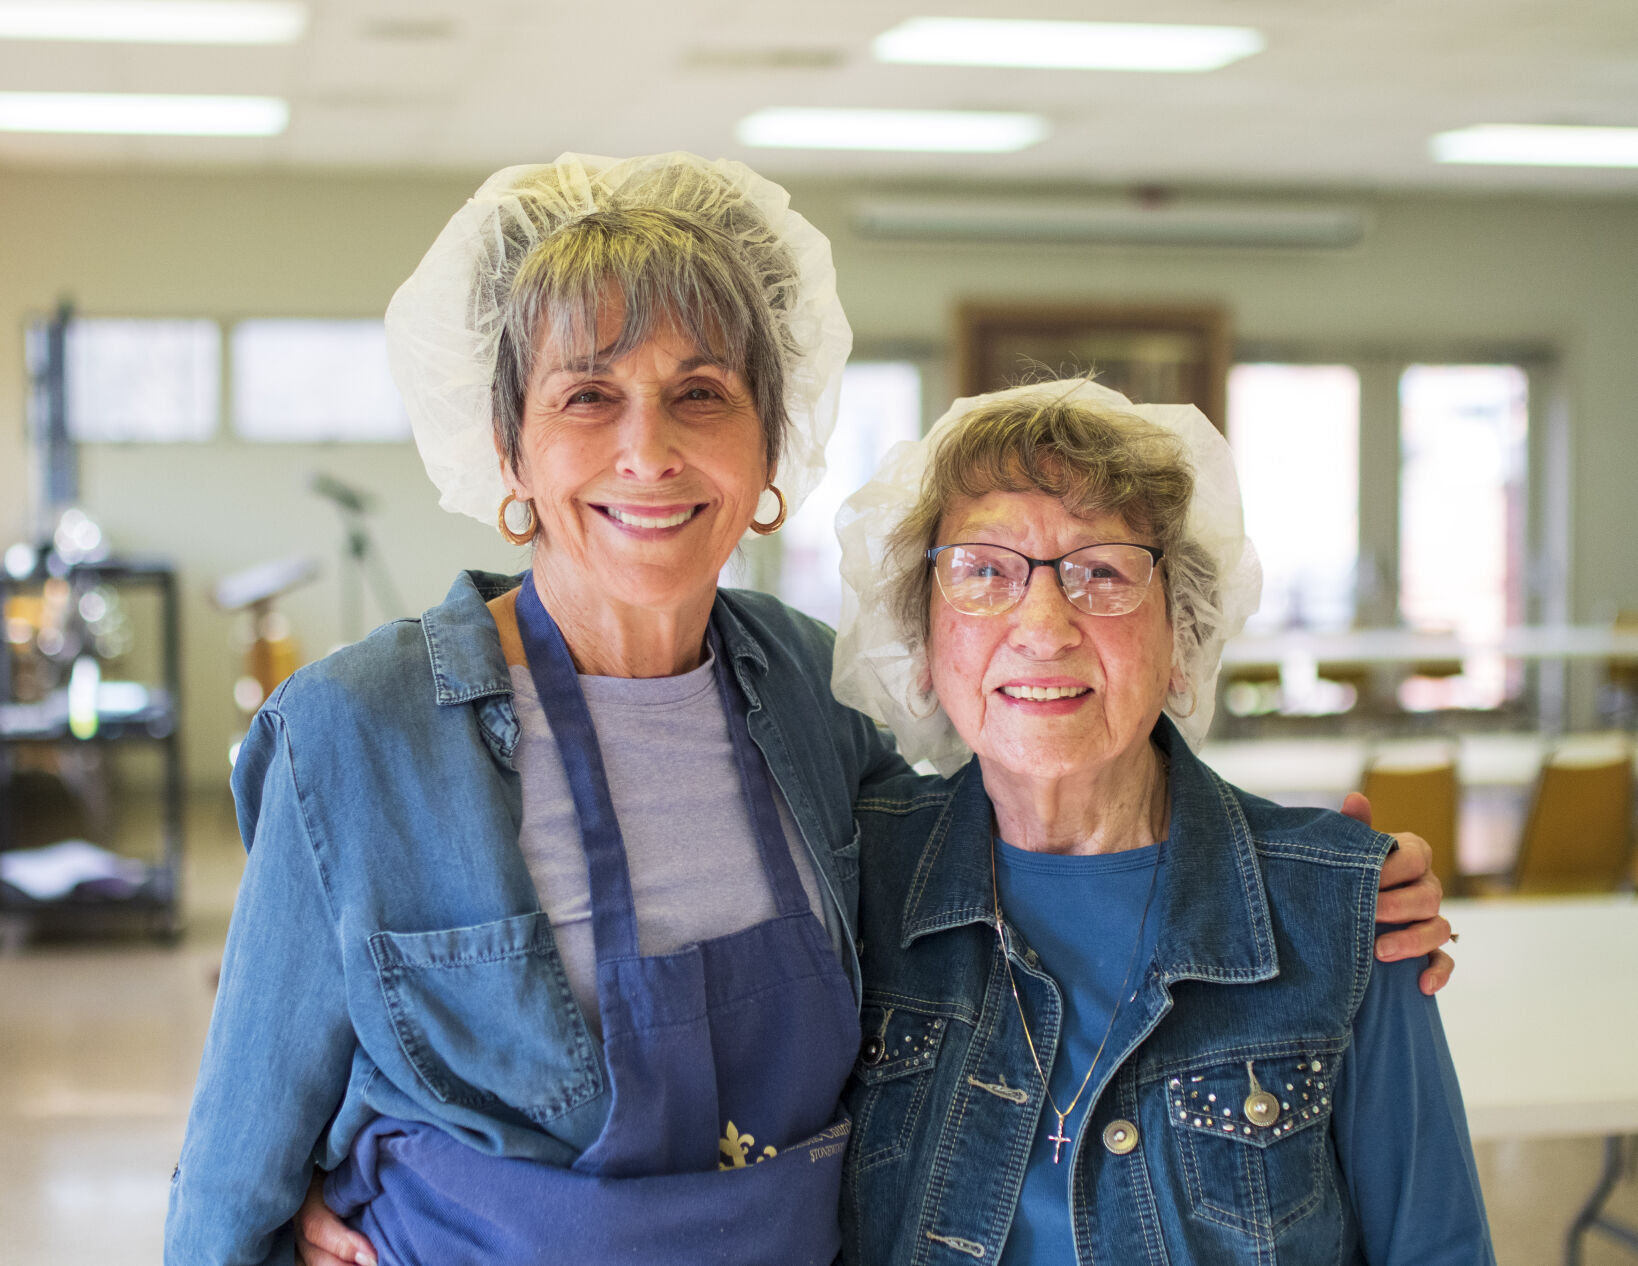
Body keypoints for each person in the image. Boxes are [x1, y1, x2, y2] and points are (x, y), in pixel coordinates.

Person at [167, 153, 1452, 1266]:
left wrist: (1339, 891)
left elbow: (1030, 821)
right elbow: (233, 1175)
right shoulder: (357, 733)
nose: (648, 452)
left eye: (703, 394)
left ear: (770, 449)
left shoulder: (813, 702)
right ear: (508, 447)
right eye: (586, 395)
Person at [831, 379, 1490, 1264]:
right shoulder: (849, 876)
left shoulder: (1340, 909)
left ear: (1183, 631)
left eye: (1101, 571)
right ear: (922, 635)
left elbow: (1436, 1248)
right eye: (984, 570)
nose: (1042, 625)